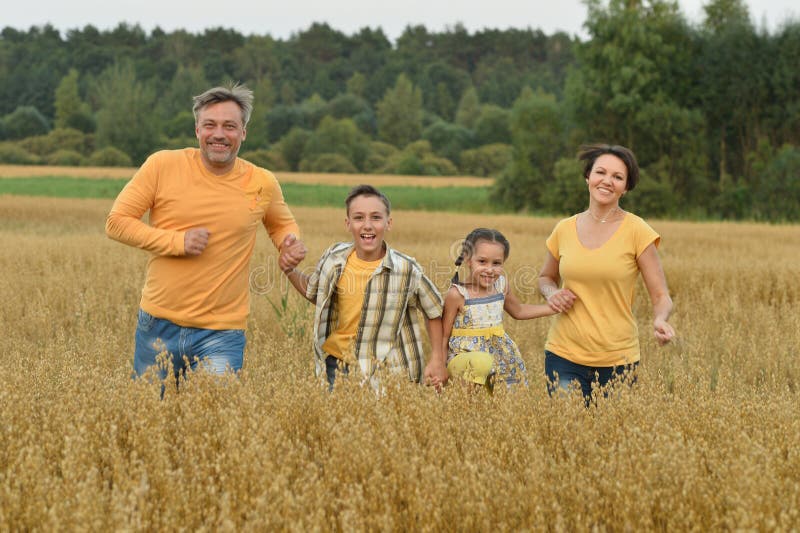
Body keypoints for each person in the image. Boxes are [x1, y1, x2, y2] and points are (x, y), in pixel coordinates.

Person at [105, 83, 306, 385]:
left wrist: (288, 243)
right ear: (197, 129)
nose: (219, 134)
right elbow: (117, 222)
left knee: (212, 418)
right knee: (149, 420)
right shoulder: (162, 165)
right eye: (210, 125)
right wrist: (178, 241)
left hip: (223, 332)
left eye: (230, 126)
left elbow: (281, 225)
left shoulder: (263, 182)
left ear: (243, 133)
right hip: (157, 324)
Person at [538, 143, 675, 401]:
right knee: (569, 434)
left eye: (618, 177)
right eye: (601, 172)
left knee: (609, 438)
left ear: (626, 188)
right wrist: (551, 293)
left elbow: (661, 296)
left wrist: (660, 319)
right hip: (563, 354)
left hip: (618, 359)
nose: (607, 181)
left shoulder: (638, 231)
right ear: (588, 177)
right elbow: (546, 278)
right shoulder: (564, 229)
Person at [282, 184, 447, 391]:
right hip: (337, 365)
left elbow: (434, 311)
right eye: (359, 218)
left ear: (389, 223)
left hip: (389, 372)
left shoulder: (406, 269)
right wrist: (289, 271)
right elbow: (315, 292)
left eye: (376, 218)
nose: (367, 225)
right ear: (348, 223)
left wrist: (438, 360)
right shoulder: (333, 258)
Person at [442, 228, 558, 390]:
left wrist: (554, 307)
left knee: (510, 398)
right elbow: (444, 335)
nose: (490, 269)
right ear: (468, 259)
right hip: (465, 359)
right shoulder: (457, 295)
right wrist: (441, 369)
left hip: (499, 353)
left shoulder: (501, 285)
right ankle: (465, 406)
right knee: (481, 364)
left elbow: (518, 311)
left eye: (496, 263)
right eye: (482, 262)